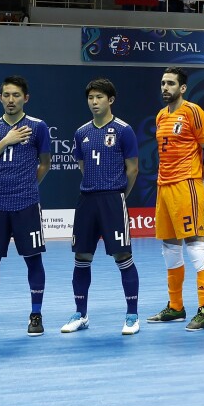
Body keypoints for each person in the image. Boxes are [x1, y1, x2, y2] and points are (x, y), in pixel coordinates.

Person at [0, 76, 51, 337]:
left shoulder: (38, 127)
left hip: (26, 204)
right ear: (0, 98)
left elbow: (45, 163)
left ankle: (36, 315)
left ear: (25, 98)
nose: (11, 100)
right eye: (6, 95)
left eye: (16, 95)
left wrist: (27, 185)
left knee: (33, 260)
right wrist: (6, 139)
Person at [64, 78, 142, 336]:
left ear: (110, 100)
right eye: (90, 98)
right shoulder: (81, 132)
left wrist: (119, 196)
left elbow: (132, 169)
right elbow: (83, 166)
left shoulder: (123, 130)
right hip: (87, 200)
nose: (94, 102)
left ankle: (132, 315)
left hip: (113, 199)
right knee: (81, 257)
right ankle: (80, 313)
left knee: (122, 256)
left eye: (99, 97)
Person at [145, 67, 204, 331]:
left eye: (171, 83)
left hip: (186, 185)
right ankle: (176, 307)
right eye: (163, 83)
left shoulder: (193, 112)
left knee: (195, 243)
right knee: (169, 246)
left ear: (183, 88)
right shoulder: (160, 116)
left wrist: (198, 179)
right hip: (164, 186)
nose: (165, 87)